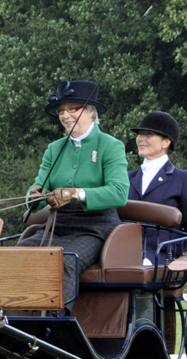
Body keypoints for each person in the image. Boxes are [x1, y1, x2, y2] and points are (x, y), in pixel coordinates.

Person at [20, 80, 129, 309]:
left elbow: (119, 193)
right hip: (58, 225)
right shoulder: (54, 148)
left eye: (73, 109)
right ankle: (15, 318)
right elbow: (38, 188)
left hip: (95, 227)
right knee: (18, 255)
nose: (65, 115)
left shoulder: (110, 146)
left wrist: (77, 193)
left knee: (65, 260)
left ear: (91, 111)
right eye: (61, 110)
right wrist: (35, 194)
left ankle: (58, 321)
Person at [127, 111, 187, 262]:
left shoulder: (183, 179)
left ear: (166, 142)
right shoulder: (126, 178)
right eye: (140, 134)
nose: (141, 139)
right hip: (123, 256)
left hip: (164, 260)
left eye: (149, 134)